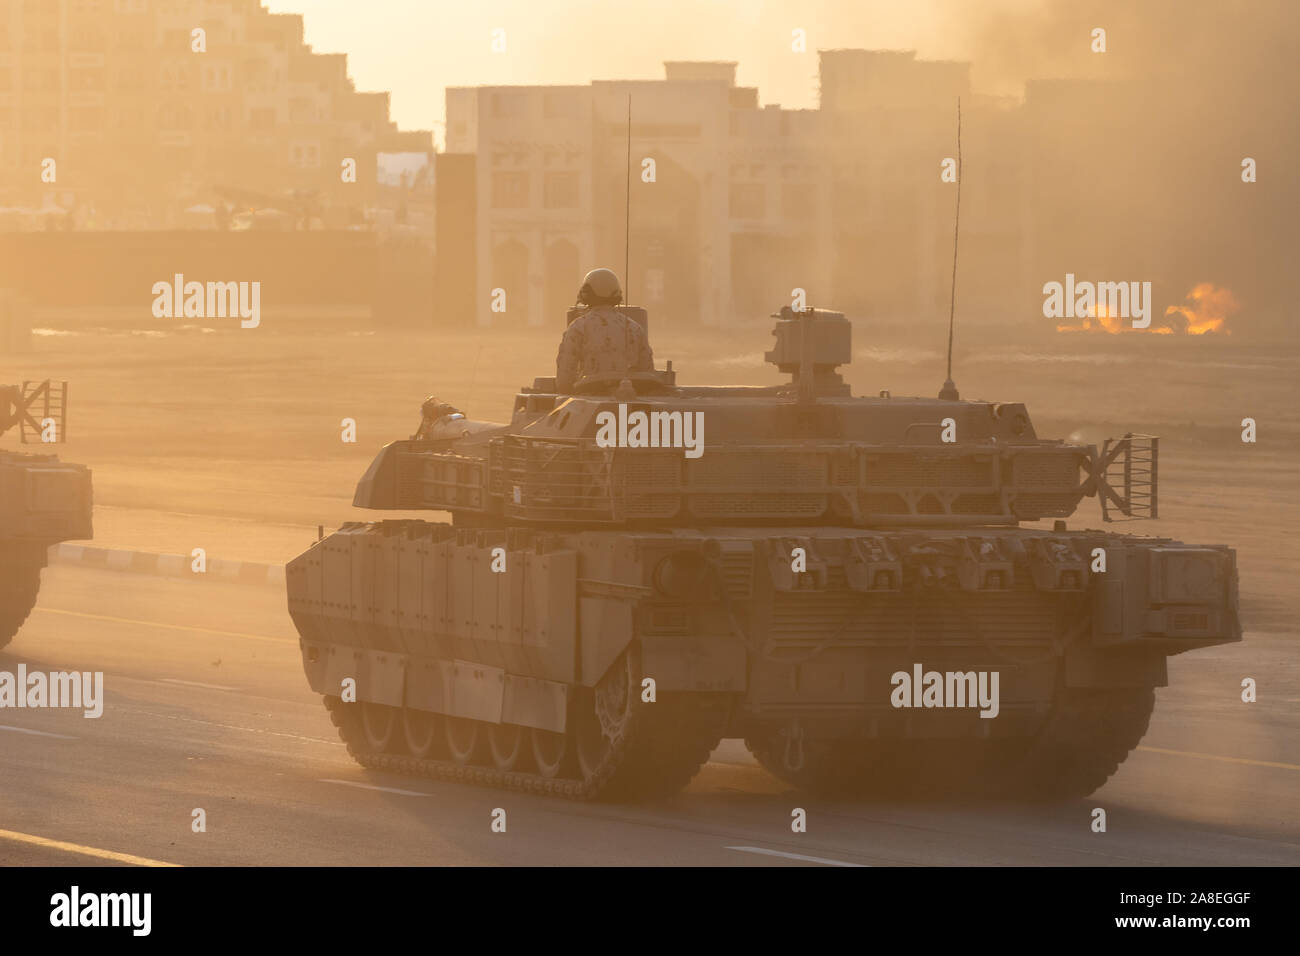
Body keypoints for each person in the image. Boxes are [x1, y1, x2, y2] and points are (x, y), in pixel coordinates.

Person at [555, 268, 653, 393]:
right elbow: (648, 374)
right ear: (617, 295)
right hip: (630, 405)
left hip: (589, 402)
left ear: (586, 294)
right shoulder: (635, 328)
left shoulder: (578, 328)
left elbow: (564, 380)